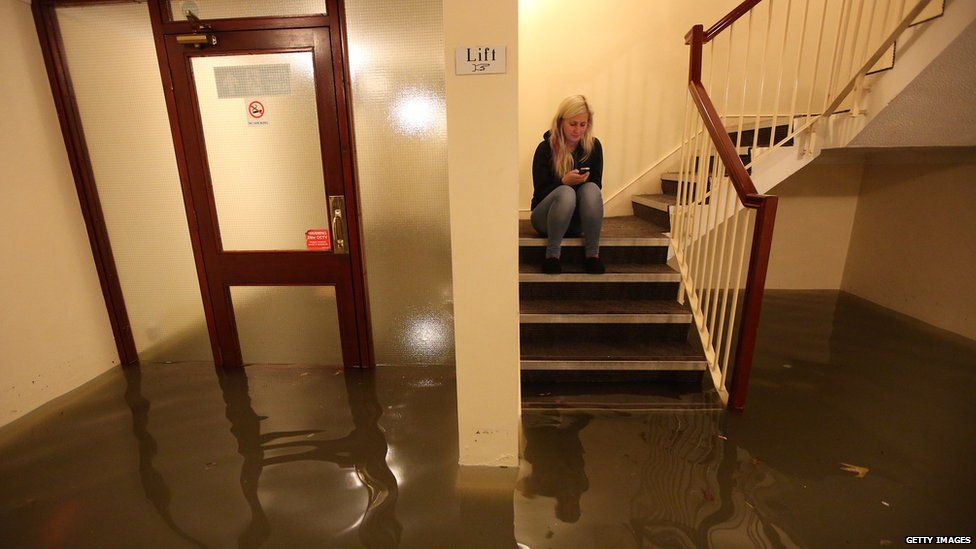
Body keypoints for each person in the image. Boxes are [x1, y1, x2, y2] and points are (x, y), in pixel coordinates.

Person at [530, 95, 604, 275]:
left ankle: (592, 255)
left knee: (591, 188)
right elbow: (539, 192)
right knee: (565, 192)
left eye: (582, 124)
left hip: (578, 221)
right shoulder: (545, 148)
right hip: (545, 218)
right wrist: (563, 182)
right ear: (561, 121)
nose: (577, 130)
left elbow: (596, 186)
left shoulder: (593, 147)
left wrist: (582, 182)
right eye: (573, 124)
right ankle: (552, 256)